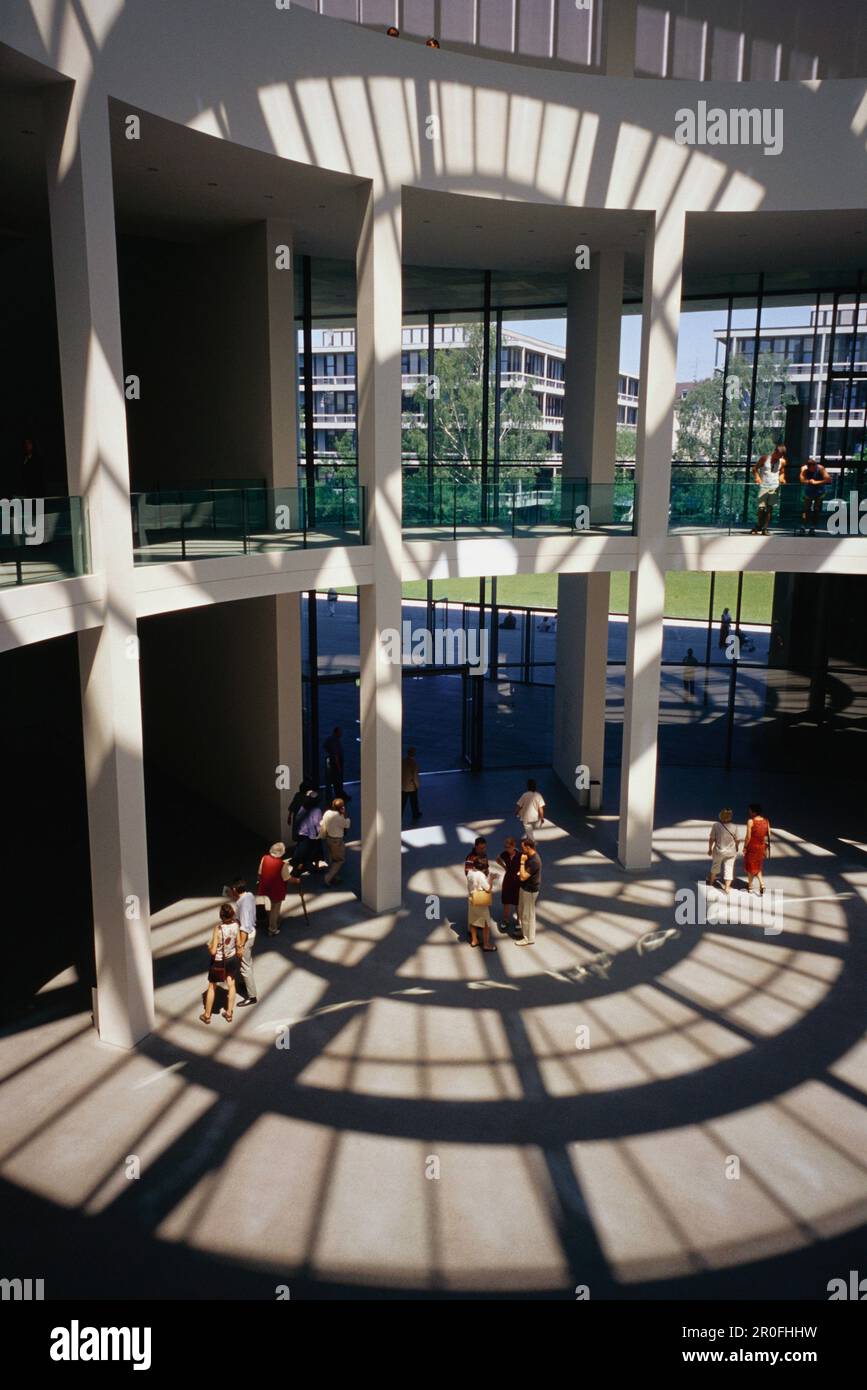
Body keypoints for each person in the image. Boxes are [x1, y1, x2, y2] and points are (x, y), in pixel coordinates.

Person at [200, 902, 242, 1024]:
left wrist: (208, 947)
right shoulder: (236, 925)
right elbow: (239, 942)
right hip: (232, 958)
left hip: (218, 961)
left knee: (212, 986)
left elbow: (213, 951)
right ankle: (229, 1013)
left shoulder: (218, 930)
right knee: (231, 984)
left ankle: (207, 1015)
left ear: (221, 916)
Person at [227, 878, 258, 1004]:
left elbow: (244, 928)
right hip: (252, 933)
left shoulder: (242, 904)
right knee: (247, 963)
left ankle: (251, 996)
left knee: (245, 967)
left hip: (246, 937)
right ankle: (245, 984)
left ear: (235, 890)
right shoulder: (249, 895)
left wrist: (240, 946)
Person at [751, 442, 787, 535]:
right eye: (778, 455)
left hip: (774, 487)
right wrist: (757, 477)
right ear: (775, 452)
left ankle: (765, 528)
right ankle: (758, 525)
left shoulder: (782, 461)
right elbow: (754, 469)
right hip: (764, 486)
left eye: (781, 456)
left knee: (770, 508)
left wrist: (782, 478)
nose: (779, 458)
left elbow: (782, 472)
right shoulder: (765, 458)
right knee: (761, 508)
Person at [256, 841, 288, 936]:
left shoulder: (264, 858)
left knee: (268, 905)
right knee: (275, 908)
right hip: (276, 890)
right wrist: (297, 880)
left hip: (265, 887)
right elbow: (287, 878)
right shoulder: (282, 864)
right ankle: (272, 929)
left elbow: (259, 873)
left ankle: (267, 920)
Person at [466, 857, 497, 951]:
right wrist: (491, 879)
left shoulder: (470, 873)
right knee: (486, 924)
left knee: (473, 920)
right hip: (480, 900)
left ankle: (474, 940)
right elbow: (488, 889)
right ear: (483, 868)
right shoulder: (480, 875)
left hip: (471, 899)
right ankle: (486, 944)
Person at [515, 837, 541, 946]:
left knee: (528, 915)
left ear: (528, 847)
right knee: (522, 912)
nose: (522, 850)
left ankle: (529, 938)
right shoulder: (529, 856)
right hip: (525, 888)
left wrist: (521, 863)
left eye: (523, 847)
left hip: (530, 890)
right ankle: (524, 932)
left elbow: (523, 877)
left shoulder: (534, 861)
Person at [706, 810, 739, 895]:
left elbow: (712, 839)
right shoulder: (734, 827)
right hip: (731, 852)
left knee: (715, 865)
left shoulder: (716, 825)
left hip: (718, 850)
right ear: (730, 817)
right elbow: (737, 840)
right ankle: (727, 888)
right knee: (729, 868)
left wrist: (709, 849)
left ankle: (711, 882)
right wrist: (737, 847)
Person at [292, 787, 323, 875]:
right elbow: (317, 824)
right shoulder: (317, 810)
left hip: (302, 833)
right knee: (314, 851)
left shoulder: (303, 807)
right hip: (312, 835)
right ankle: (313, 867)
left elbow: (298, 818)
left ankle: (297, 868)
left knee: (301, 853)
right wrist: (320, 833)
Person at [743, 802, 772, 896]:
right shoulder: (766, 821)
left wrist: (745, 847)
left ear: (754, 812)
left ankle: (750, 887)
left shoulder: (750, 821)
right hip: (761, 846)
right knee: (757, 866)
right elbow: (769, 834)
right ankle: (762, 884)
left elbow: (748, 837)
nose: (749, 812)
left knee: (750, 866)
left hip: (752, 846)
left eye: (750, 811)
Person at [320, 797, 350, 886]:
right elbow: (347, 825)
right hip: (337, 841)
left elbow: (322, 823)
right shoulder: (339, 817)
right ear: (342, 807)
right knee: (339, 860)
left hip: (329, 838)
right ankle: (328, 877)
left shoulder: (327, 813)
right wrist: (344, 815)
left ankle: (334, 876)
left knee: (332, 858)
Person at [799, 457, 830, 534]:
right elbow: (801, 479)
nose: (813, 470)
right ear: (808, 467)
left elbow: (828, 479)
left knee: (816, 509)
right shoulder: (804, 469)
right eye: (811, 469)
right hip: (808, 492)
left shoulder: (821, 468)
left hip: (820, 492)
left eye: (814, 468)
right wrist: (809, 481)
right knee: (806, 509)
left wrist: (816, 482)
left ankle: (813, 527)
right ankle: (803, 526)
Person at [496, 836, 521, 933]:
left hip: (517, 879)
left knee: (517, 901)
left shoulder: (520, 855)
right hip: (508, 879)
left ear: (513, 846)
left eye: (508, 847)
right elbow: (498, 859)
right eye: (505, 847)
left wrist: (521, 873)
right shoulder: (504, 854)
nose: (506, 849)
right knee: (506, 900)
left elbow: (526, 864)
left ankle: (518, 920)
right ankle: (506, 919)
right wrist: (504, 867)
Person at [323, 726, 345, 800]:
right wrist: (338, 766)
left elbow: (324, 746)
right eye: (340, 732)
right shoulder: (335, 741)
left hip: (330, 762)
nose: (341, 733)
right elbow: (336, 755)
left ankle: (329, 796)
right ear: (337, 732)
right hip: (335, 763)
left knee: (329, 780)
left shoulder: (329, 739)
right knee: (338, 780)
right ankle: (339, 795)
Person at [401, 746, 422, 821]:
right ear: (414, 754)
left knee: (403, 801)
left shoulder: (403, 761)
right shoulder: (414, 764)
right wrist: (417, 785)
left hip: (403, 785)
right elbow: (415, 776)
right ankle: (415, 814)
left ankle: (399, 815)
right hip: (411, 786)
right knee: (414, 801)